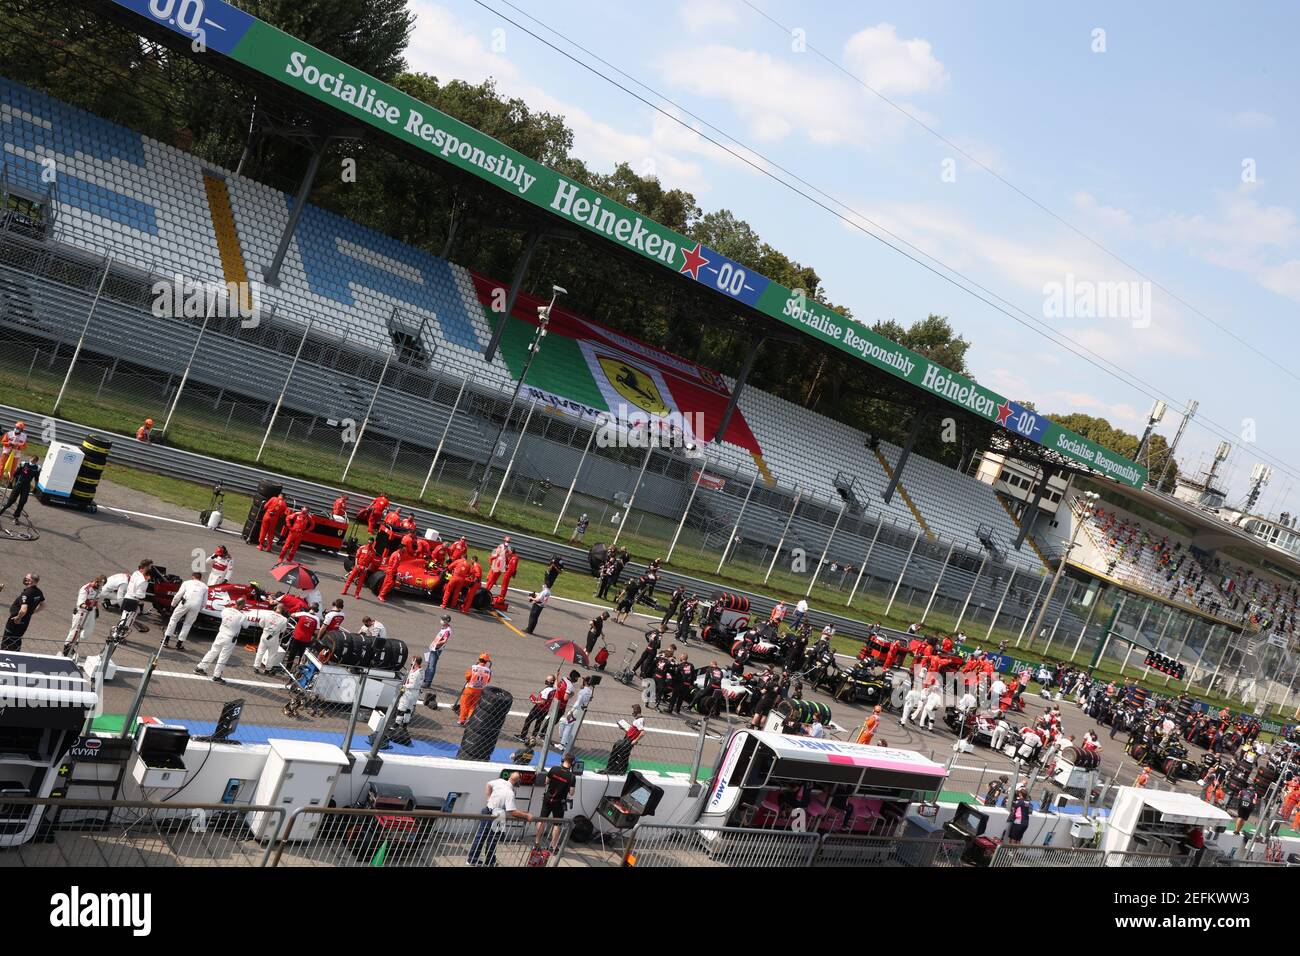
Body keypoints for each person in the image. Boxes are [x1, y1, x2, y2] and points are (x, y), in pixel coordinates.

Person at [466, 772, 535, 867]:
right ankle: (489, 861)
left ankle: (473, 859)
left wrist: (489, 798)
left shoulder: (499, 781)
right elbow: (512, 812)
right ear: (517, 781)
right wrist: (527, 816)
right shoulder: (510, 793)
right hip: (498, 815)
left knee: (481, 837)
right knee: (492, 840)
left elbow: (488, 784)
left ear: (510, 776)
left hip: (487, 811)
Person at [195, 597, 247, 684]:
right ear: (241, 605)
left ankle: (200, 667)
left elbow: (225, 616)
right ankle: (217, 676)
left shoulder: (225, 610)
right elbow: (246, 625)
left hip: (221, 634)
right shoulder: (242, 616)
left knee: (213, 651)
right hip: (230, 638)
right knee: (223, 656)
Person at [536, 754, 576, 852]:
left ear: (563, 760)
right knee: (557, 824)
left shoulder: (554, 769)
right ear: (572, 763)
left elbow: (546, 782)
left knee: (541, 820)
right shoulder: (571, 777)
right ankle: (553, 846)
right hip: (558, 802)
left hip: (548, 799)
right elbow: (571, 793)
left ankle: (536, 843)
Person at [163, 571, 208, 650]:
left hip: (185, 602)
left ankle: (166, 640)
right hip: (196, 605)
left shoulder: (187, 583)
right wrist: (198, 609)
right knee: (188, 624)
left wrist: (173, 605)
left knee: (173, 620)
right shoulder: (205, 587)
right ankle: (179, 644)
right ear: (200, 578)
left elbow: (178, 595)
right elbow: (204, 603)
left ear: (193, 577)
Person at [2, 572, 43, 651]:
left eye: (27, 578)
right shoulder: (38, 592)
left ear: (30, 581)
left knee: (7, 642)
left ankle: (4, 660)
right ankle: (19, 662)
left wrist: (18, 618)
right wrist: (32, 612)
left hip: (16, 621)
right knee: (17, 640)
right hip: (26, 621)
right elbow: (43, 605)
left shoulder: (26, 593)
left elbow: (23, 610)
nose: (25, 579)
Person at [250, 603, 291, 674]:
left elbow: (261, 624)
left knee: (260, 652)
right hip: (274, 638)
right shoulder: (284, 619)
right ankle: (268, 669)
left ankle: (256, 667)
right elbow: (282, 630)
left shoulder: (267, 614)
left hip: (265, 635)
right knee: (272, 655)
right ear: (283, 611)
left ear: (275, 608)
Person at [559, 675, 594, 754]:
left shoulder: (582, 691)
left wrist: (571, 712)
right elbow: (589, 700)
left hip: (576, 710)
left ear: (585, 681)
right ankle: (566, 742)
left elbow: (577, 702)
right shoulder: (590, 691)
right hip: (581, 710)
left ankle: (562, 744)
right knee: (568, 725)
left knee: (567, 725)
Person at [0, 454, 39, 522]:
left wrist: (35, 487)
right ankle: (2, 510)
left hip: (26, 487)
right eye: (32, 460)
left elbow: (36, 478)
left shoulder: (37, 468)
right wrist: (11, 482)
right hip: (18, 484)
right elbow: (15, 473)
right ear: (30, 458)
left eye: (34, 461)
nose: (33, 461)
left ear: (36, 461)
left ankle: (16, 517)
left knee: (22, 502)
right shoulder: (23, 464)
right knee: (11, 500)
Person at [518, 675, 557, 742]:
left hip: (538, 708)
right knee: (538, 724)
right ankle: (532, 739)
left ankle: (522, 736)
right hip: (545, 710)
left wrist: (535, 701)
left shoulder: (547, 690)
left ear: (551, 681)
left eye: (547, 680)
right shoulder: (554, 689)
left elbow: (543, 701)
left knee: (528, 721)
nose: (546, 681)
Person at [283, 603, 320, 671]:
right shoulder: (317, 619)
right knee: (301, 655)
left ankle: (287, 668)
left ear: (310, 608)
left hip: (297, 636)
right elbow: (317, 632)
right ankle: (298, 671)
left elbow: (292, 615)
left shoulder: (303, 613)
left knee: (292, 653)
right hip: (306, 639)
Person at [458, 652, 493, 725]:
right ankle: (470, 720)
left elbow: (467, 677)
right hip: (480, 691)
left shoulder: (473, 667)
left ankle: (462, 720)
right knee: (473, 706)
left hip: (470, 689)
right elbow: (488, 680)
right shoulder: (488, 671)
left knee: (464, 704)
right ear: (486, 662)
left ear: (479, 659)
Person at [423, 615, 452, 690]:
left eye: (443, 619)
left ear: (446, 621)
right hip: (434, 648)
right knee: (429, 664)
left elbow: (445, 640)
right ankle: (425, 679)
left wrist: (436, 644)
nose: (441, 620)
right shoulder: (444, 629)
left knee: (431, 666)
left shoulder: (447, 631)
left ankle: (428, 682)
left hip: (436, 650)